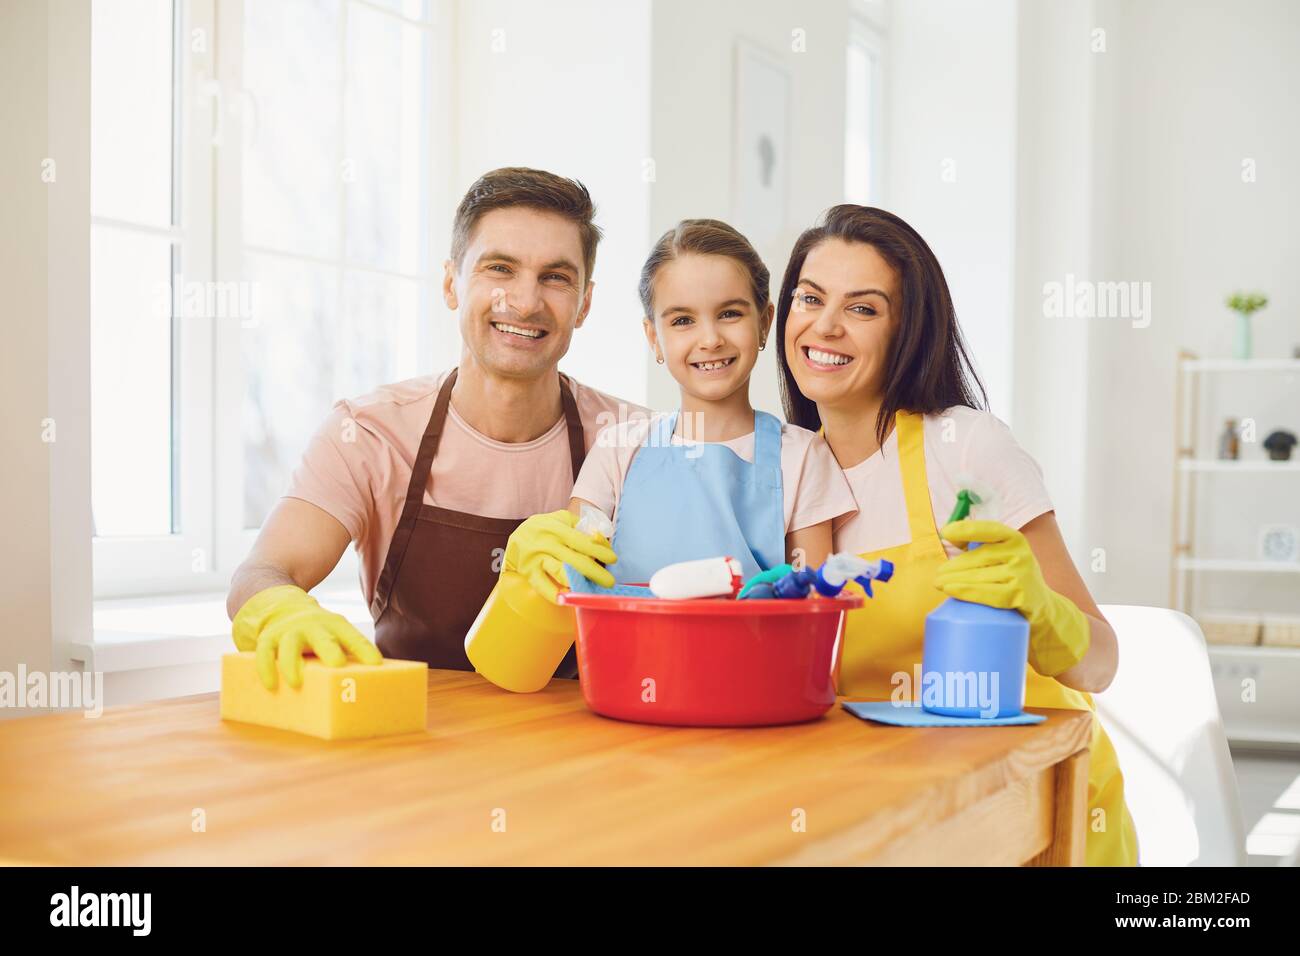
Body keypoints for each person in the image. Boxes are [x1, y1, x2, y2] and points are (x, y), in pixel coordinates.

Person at [776, 204, 1139, 866]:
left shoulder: (963, 447)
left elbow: (1102, 663)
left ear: (906, 332)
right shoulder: (784, 471)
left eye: (863, 308)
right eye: (809, 297)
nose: (823, 325)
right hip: (890, 803)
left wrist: (1040, 606)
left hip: (1032, 807)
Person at [226, 167, 645, 689]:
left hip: (587, 748)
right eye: (500, 268)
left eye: (556, 277)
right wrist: (281, 611)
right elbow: (262, 571)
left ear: (584, 303)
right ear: (452, 283)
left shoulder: (637, 443)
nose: (525, 301)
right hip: (413, 743)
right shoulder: (370, 435)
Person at [545, 219, 857, 590]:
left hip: (759, 650)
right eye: (682, 320)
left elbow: (812, 608)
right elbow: (574, 584)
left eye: (729, 314)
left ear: (764, 321)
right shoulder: (617, 453)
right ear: (654, 338)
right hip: (624, 649)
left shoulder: (803, 458)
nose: (709, 339)